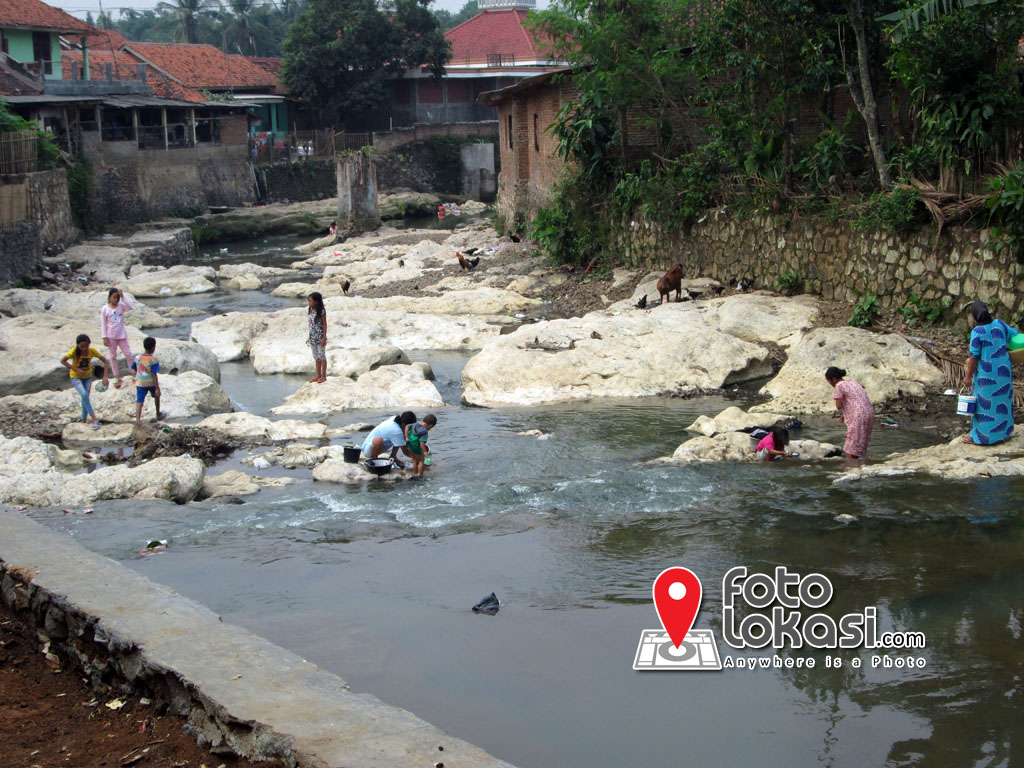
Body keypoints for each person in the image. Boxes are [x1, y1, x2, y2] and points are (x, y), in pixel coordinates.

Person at [961, 301, 1017, 445]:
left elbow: (974, 357)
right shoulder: (999, 324)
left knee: (984, 405)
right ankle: (1004, 433)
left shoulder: (977, 332)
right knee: (1003, 400)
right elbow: (1014, 334)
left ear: (974, 316)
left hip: (987, 374)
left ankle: (979, 437)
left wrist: (968, 377)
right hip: (1004, 370)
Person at [60, 334, 110, 430]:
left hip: (87, 377)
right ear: (78, 346)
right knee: (84, 395)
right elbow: (63, 361)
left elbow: (106, 361)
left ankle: (83, 420)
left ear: (89, 344)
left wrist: (105, 376)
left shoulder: (92, 351)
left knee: (85, 397)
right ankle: (94, 419)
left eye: (86, 346)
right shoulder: (74, 352)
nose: (84, 349)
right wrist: (76, 369)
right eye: (81, 347)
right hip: (76, 377)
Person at [825, 366, 875, 459]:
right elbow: (856, 401)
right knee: (857, 442)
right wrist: (845, 415)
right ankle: (856, 465)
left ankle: (849, 468)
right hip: (869, 414)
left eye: (829, 382)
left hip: (859, 415)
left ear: (834, 379)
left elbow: (839, 406)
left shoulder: (839, 385)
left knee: (850, 446)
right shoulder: (854, 383)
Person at [100, 286, 133, 389]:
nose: (116, 300)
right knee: (113, 356)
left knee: (128, 354)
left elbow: (130, 307)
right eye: (114, 298)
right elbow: (103, 324)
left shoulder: (121, 306)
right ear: (109, 297)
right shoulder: (105, 309)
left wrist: (123, 297)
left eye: (117, 298)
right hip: (111, 336)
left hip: (121, 335)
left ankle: (134, 373)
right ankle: (116, 376)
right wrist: (104, 337)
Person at [131, 336, 165, 423]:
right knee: (156, 396)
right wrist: (157, 388)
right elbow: (154, 374)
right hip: (151, 383)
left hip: (140, 383)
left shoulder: (138, 357)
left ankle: (138, 419)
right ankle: (158, 414)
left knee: (140, 400)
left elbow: (133, 368)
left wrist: (136, 376)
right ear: (154, 347)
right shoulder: (153, 360)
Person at [307, 291, 327, 384]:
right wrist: (309, 337)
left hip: (320, 337)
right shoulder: (310, 311)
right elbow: (310, 325)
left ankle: (323, 376)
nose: (309, 303)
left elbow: (324, 324)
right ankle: (318, 376)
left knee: (321, 356)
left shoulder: (321, 311)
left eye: (310, 301)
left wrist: (324, 338)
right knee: (316, 357)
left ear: (316, 301)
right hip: (313, 337)